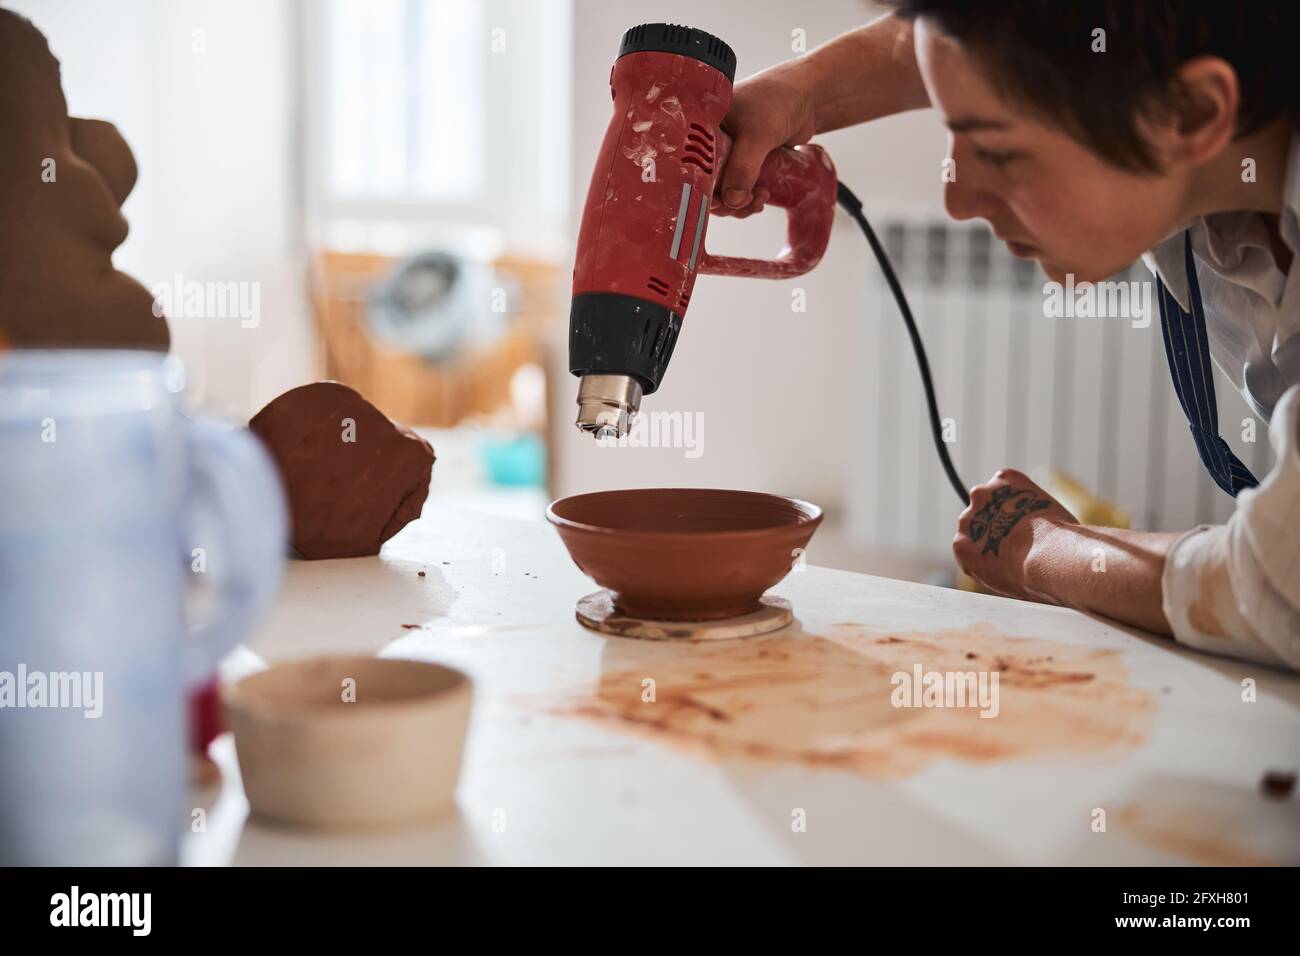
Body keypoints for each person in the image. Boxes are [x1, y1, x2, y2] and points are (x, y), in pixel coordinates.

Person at [712, 1, 1298, 670]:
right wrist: (800, 96)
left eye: (996, 149)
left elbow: (1271, 584)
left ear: (1193, 113)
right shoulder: (1181, 100)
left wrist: (1040, 550)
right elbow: (948, 43)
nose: (958, 202)